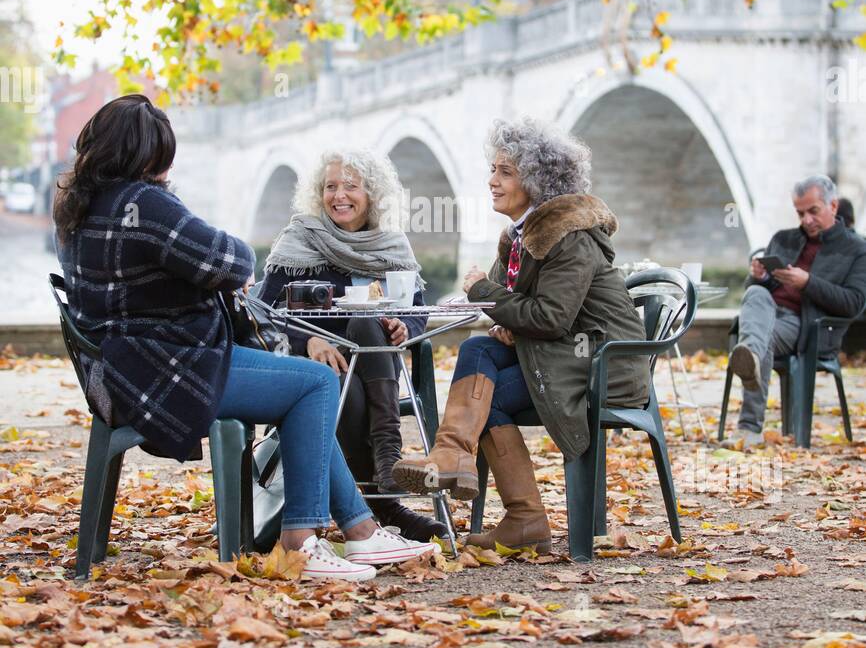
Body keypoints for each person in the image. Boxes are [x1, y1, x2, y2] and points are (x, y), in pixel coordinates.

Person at [53, 96, 432, 581]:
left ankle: (360, 531)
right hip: (170, 373)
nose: (166, 167)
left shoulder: (76, 208)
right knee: (315, 384)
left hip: (120, 372)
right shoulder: (143, 203)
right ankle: (302, 542)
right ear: (144, 154)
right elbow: (233, 261)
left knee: (305, 387)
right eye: (162, 155)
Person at [391, 117, 651, 552]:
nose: (492, 181)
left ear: (537, 180)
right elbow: (513, 312)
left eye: (505, 172)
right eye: (493, 170)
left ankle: (511, 505)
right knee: (479, 348)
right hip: (562, 357)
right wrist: (501, 321)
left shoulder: (569, 238)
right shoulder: (521, 236)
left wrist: (485, 293)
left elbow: (549, 318)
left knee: (485, 393)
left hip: (603, 367)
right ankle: (461, 461)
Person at [259, 150, 445, 542]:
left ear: (372, 194)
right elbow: (263, 311)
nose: (338, 195)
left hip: (374, 361)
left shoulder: (392, 246)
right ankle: (387, 498)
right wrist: (307, 339)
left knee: (367, 321)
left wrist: (403, 327)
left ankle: (386, 461)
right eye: (330, 187)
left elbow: (416, 309)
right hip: (315, 367)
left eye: (350, 186)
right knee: (340, 386)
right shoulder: (299, 240)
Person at [728, 174, 866, 447]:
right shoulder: (783, 238)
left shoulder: (857, 250)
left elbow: (855, 303)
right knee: (756, 294)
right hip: (767, 314)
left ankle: (749, 428)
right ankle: (752, 355)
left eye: (813, 211)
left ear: (833, 206)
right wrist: (759, 276)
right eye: (800, 213)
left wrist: (808, 283)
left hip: (808, 326)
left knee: (757, 336)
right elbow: (751, 291)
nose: (806, 220)